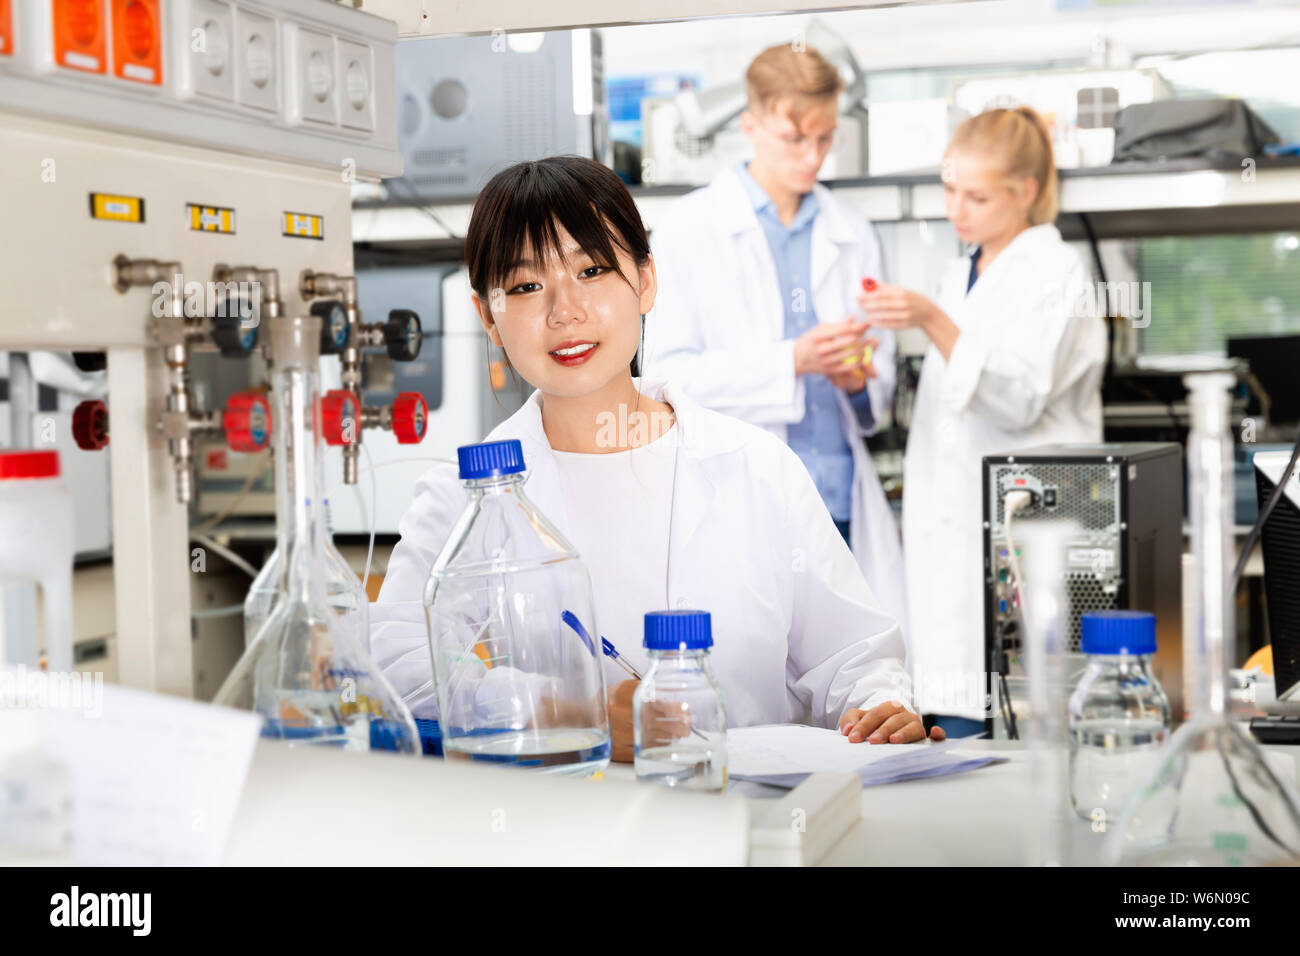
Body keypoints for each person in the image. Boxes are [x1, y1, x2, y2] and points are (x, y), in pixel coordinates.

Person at [372, 155, 944, 761]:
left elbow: (854, 659)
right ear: (487, 315)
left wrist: (880, 709)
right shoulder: (460, 501)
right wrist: (569, 715)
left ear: (645, 281)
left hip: (750, 827)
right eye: (526, 286)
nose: (565, 310)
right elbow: (398, 669)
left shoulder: (756, 466)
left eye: (592, 270)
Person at [643, 43, 907, 637]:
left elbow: (878, 395)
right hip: (739, 505)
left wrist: (856, 380)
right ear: (750, 124)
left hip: (838, 505)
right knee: (755, 681)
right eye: (795, 139)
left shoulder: (853, 232)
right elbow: (669, 381)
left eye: (825, 138)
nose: (812, 157)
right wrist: (793, 361)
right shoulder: (689, 230)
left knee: (846, 689)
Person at [858, 107, 1106, 737]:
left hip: (1025, 541)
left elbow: (1018, 399)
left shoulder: (1057, 273)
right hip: (949, 544)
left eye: (977, 196)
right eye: (949, 190)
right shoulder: (961, 271)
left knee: (1015, 735)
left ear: (1025, 192)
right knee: (952, 727)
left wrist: (932, 320)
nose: (957, 210)